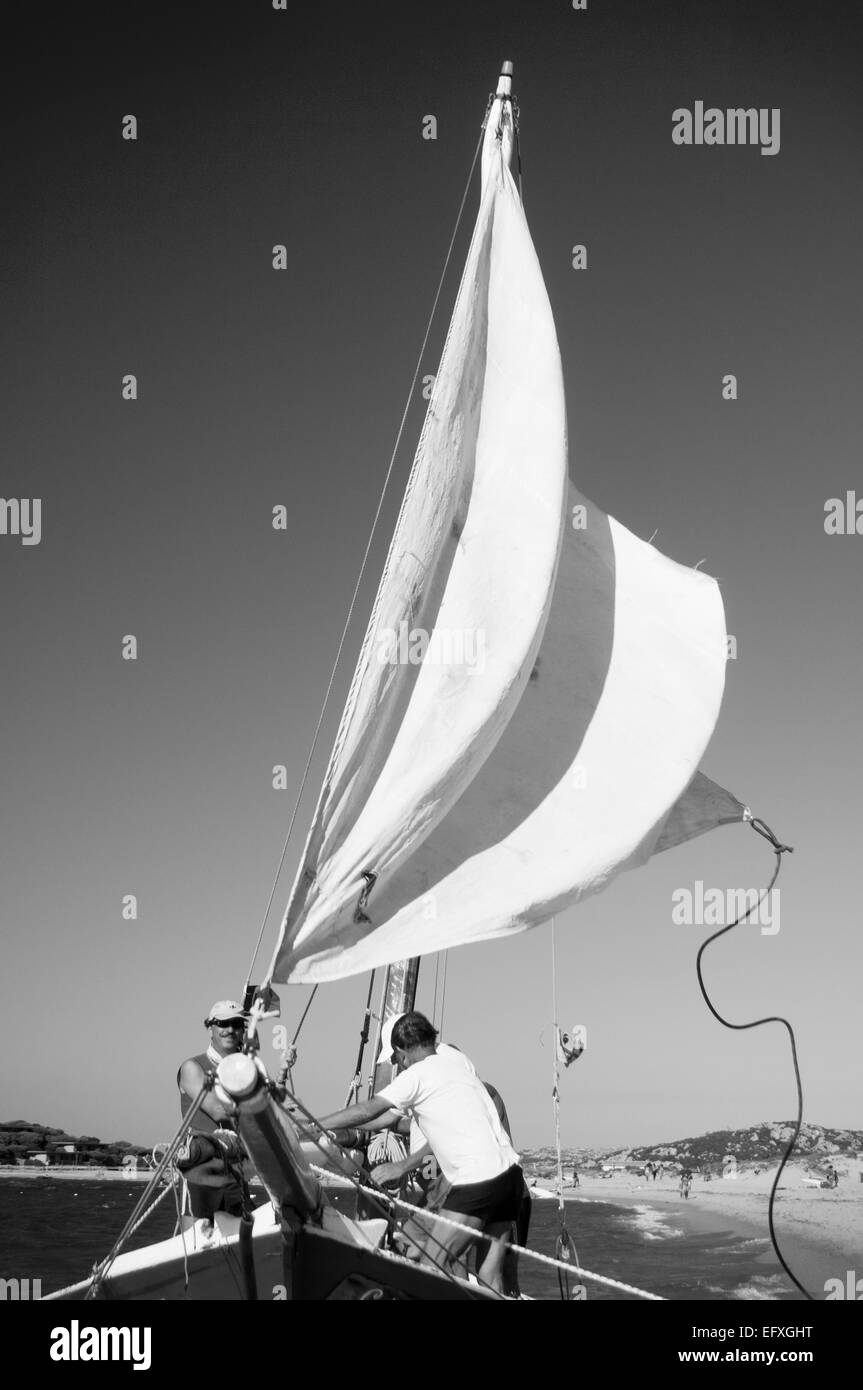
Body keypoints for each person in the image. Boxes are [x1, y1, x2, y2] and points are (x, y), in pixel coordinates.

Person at [319, 1011, 524, 1296]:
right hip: (510, 1177)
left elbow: (370, 1109)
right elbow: (385, 1118)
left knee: (432, 1265)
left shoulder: (417, 1073)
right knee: (490, 1274)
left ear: (402, 1052)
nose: (396, 1064)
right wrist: (341, 1127)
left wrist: (314, 1124)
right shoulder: (456, 1066)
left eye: (394, 1059)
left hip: (478, 1180)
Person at [176, 1000, 249, 1227]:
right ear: (210, 1028)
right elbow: (218, 1110)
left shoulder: (246, 1070)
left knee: (243, 1236)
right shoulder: (192, 1067)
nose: (230, 1030)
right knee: (197, 1239)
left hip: (235, 1168)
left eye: (236, 1024)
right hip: (201, 1167)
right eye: (223, 1023)